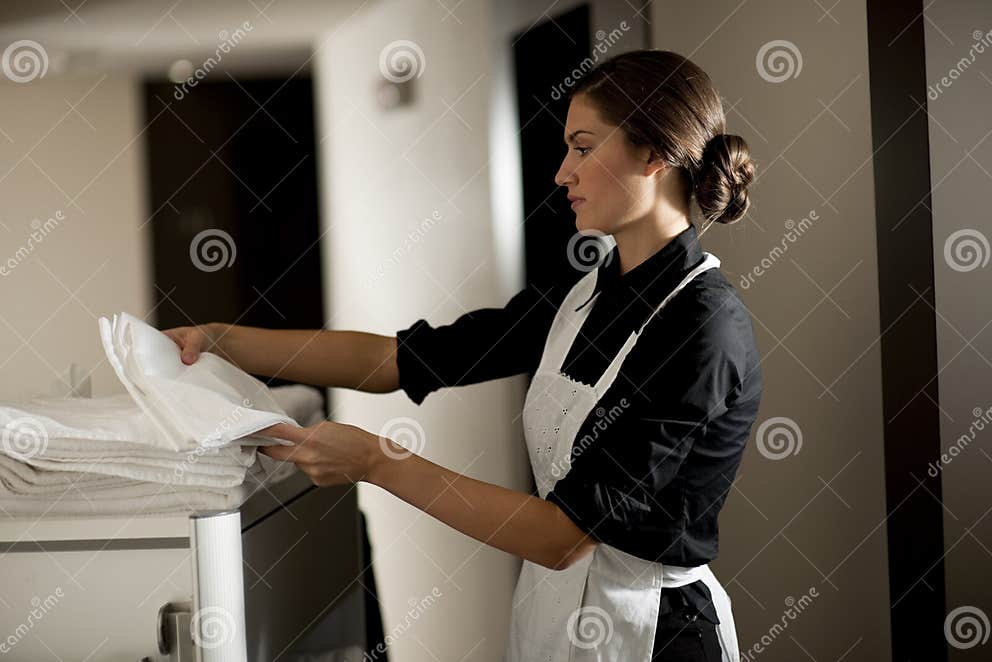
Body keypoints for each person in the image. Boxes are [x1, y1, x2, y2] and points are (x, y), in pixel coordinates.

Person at [164, 49, 761, 661]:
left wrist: (376, 461)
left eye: (583, 148)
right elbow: (406, 359)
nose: (563, 173)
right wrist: (221, 341)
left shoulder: (701, 327)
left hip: (658, 635)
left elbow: (562, 537)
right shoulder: (586, 293)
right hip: (556, 618)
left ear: (653, 154)